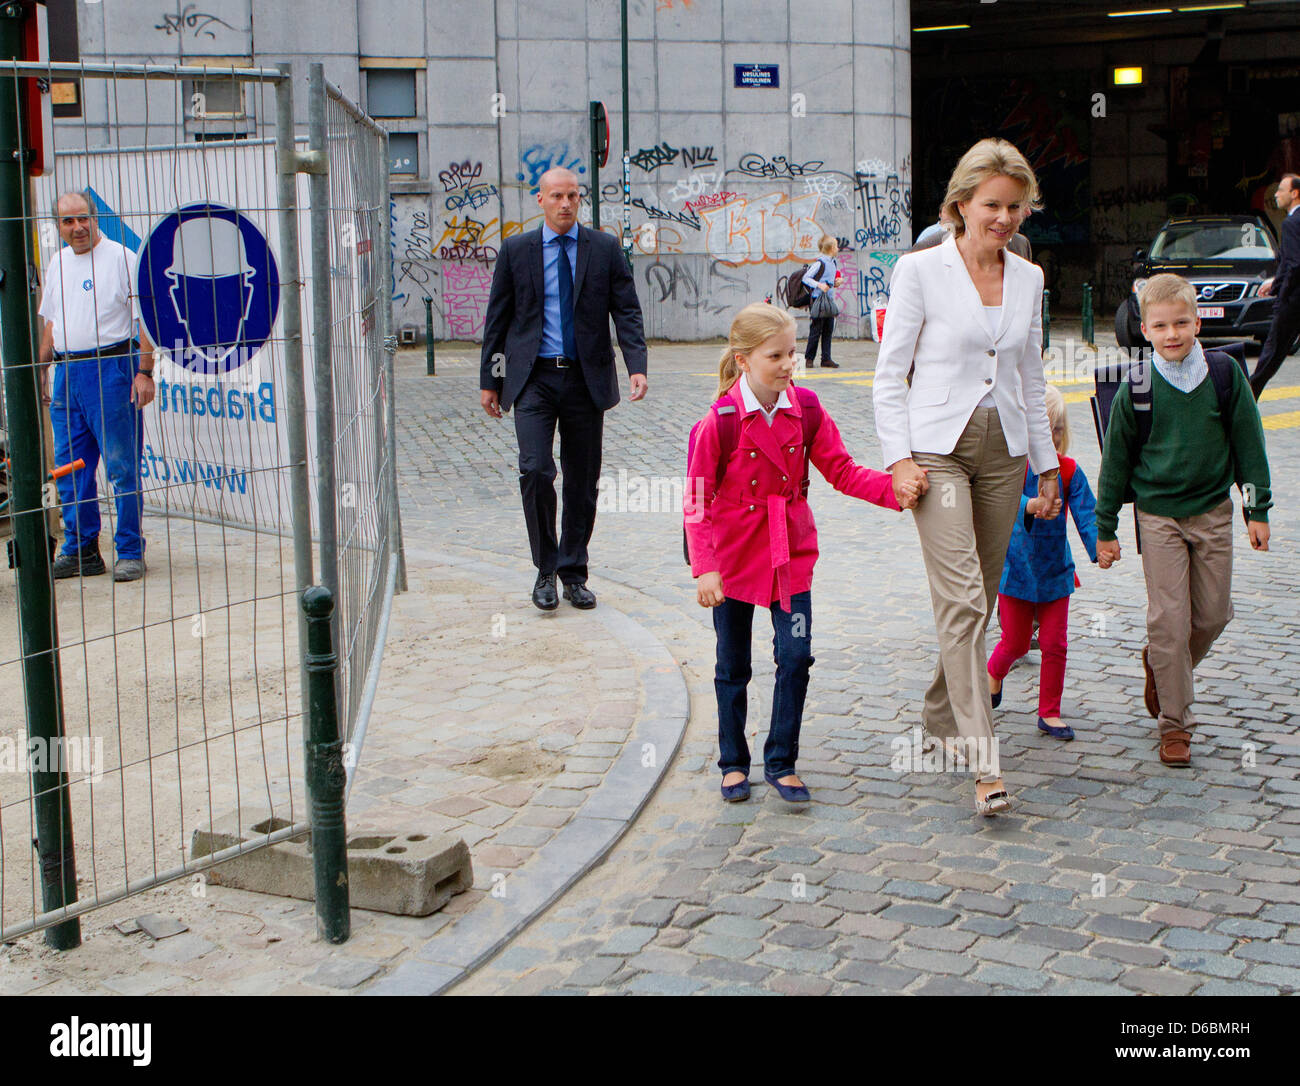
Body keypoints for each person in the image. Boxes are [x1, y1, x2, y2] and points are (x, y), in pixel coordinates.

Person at [873, 137, 1060, 816]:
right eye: (992, 205)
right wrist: (898, 459)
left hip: (1004, 451)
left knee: (976, 601)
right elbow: (890, 375)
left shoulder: (1030, 279)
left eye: (1015, 207)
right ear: (961, 204)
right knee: (961, 602)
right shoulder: (919, 272)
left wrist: (1047, 468)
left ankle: (939, 712)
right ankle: (986, 766)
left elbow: (1030, 374)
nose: (1004, 218)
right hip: (937, 451)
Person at [687, 302, 908, 804]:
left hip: (790, 555)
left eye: (792, 353)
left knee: (796, 655)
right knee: (732, 665)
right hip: (734, 558)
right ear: (743, 360)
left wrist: (897, 489)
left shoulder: (805, 407)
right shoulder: (719, 421)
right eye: (776, 356)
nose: (789, 365)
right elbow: (696, 503)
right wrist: (705, 569)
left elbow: (844, 471)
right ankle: (732, 763)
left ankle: (781, 760)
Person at [1096, 274, 1272, 767]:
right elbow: (1115, 464)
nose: (1171, 334)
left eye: (1180, 323)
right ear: (1144, 330)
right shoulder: (1137, 386)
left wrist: (1256, 509)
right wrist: (1104, 528)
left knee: (1213, 614)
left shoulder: (1224, 375)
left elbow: (1249, 444)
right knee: (1169, 620)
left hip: (1214, 511)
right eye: (1159, 326)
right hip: (1159, 518)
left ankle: (1161, 663)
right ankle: (1175, 724)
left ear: (1197, 321)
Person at [479, 167, 648, 611]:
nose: (566, 204)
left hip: (584, 379)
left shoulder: (604, 249)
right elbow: (498, 319)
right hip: (533, 378)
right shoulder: (517, 251)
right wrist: (489, 381)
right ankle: (544, 570)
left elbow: (626, 310)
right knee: (535, 470)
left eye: (573, 195)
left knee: (582, 482)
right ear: (541, 200)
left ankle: (573, 572)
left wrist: (636, 366)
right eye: (557, 196)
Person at [38, 190, 155, 582]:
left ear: (95, 218)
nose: (77, 228)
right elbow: (52, 322)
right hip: (67, 374)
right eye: (68, 222)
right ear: (59, 227)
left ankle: (129, 550)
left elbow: (145, 320)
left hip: (112, 369)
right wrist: (41, 368)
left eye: (83, 218)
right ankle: (82, 549)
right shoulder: (56, 262)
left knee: (122, 468)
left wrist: (144, 372)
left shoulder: (122, 257)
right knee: (71, 470)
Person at [987, 385, 1098, 740]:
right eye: (1042, 429)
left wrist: (1101, 546)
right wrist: (1029, 506)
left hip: (1055, 574)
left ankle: (1049, 712)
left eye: (1056, 429)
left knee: (1055, 644)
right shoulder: (1014, 470)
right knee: (1016, 643)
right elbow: (999, 503)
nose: (1050, 437)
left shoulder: (1067, 471)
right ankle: (991, 674)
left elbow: (1086, 513)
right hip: (1016, 572)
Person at [1249, 173, 1300, 399]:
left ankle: (1246, 399)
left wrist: (1282, 293)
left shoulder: (1291, 223)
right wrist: (1275, 282)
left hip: (1293, 301)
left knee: (1271, 355)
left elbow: (1295, 264)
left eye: (1281, 190)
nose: (1276, 194)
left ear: (1295, 193)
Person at [802, 235, 842, 368]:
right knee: (816, 330)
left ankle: (826, 358)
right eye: (836, 246)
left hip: (828, 300)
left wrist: (835, 283)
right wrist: (819, 285)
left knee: (828, 329)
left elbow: (830, 281)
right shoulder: (820, 263)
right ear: (831, 248)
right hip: (818, 300)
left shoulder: (833, 262)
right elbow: (806, 278)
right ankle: (809, 358)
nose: (838, 248)